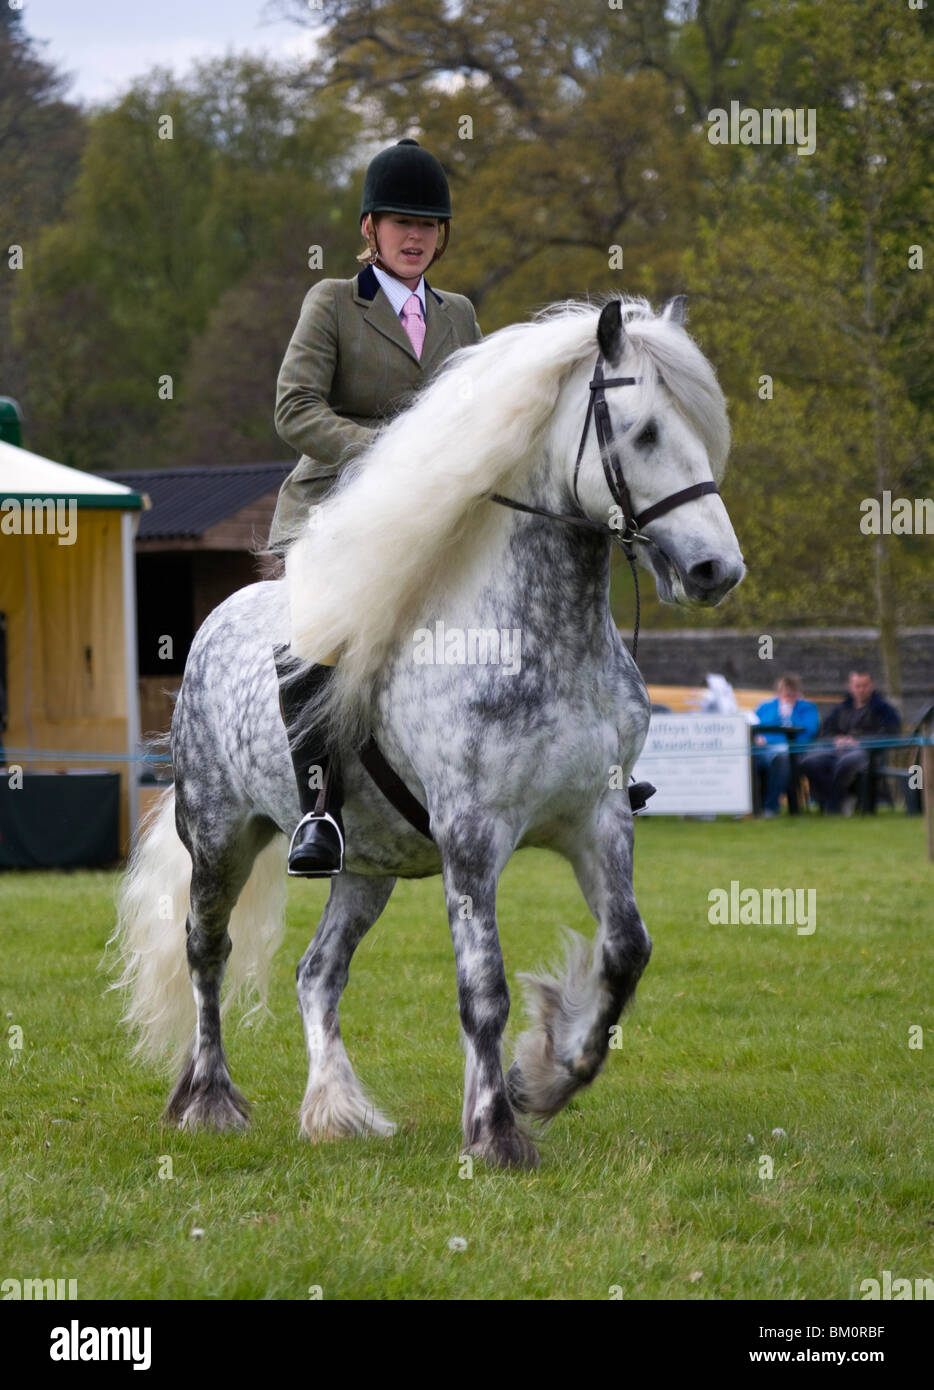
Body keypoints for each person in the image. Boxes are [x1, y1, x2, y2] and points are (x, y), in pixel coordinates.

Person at [269, 138, 483, 877]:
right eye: (400, 222)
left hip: (435, 516)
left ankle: (586, 765)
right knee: (318, 634)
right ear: (370, 229)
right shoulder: (332, 302)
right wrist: (386, 456)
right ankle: (318, 813)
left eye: (428, 225)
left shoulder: (459, 315)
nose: (416, 236)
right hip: (337, 510)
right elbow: (294, 409)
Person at [799, 667, 900, 814]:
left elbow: (890, 733)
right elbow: (825, 730)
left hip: (867, 752)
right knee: (808, 761)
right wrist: (836, 739)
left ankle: (833, 805)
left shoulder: (884, 710)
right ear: (850, 687)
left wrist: (858, 741)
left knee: (845, 763)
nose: (861, 690)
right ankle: (838, 799)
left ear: (872, 686)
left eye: (864, 685)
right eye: (857, 686)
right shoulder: (841, 708)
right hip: (836, 749)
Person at [753, 674, 820, 817]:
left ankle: (770, 807)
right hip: (763, 751)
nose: (788, 698)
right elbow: (756, 728)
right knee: (747, 761)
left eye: (792, 694)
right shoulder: (765, 707)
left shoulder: (807, 708)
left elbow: (808, 732)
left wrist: (788, 717)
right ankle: (748, 807)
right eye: (785, 694)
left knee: (782, 759)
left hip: (793, 751)